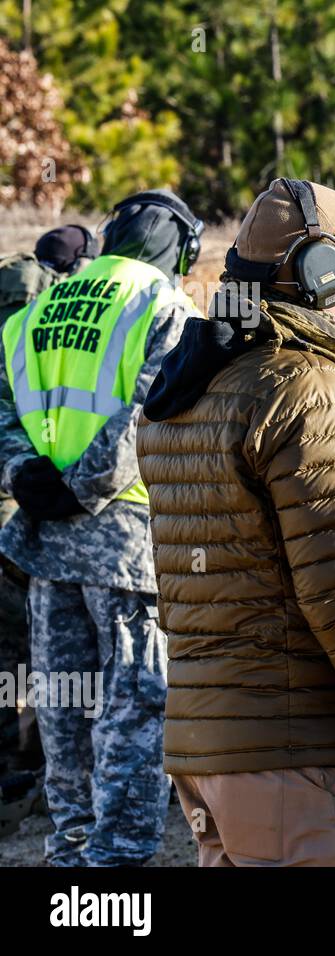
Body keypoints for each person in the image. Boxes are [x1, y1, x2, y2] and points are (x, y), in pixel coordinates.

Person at [137, 178, 335, 867]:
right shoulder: (310, 392)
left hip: (212, 757)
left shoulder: (194, 387)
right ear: (321, 274)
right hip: (298, 758)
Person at [0, 190, 203, 864]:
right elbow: (149, 411)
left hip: (47, 544)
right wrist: (81, 485)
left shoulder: (40, 306)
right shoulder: (166, 306)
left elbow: (6, 400)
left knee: (62, 718)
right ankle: (116, 874)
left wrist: (25, 472)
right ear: (181, 246)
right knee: (134, 712)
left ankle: (72, 861)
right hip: (125, 547)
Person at [0, 225, 99, 784]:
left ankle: (21, 767)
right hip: (28, 498)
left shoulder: (13, 295)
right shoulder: (51, 313)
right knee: (39, 640)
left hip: (13, 480)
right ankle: (35, 766)